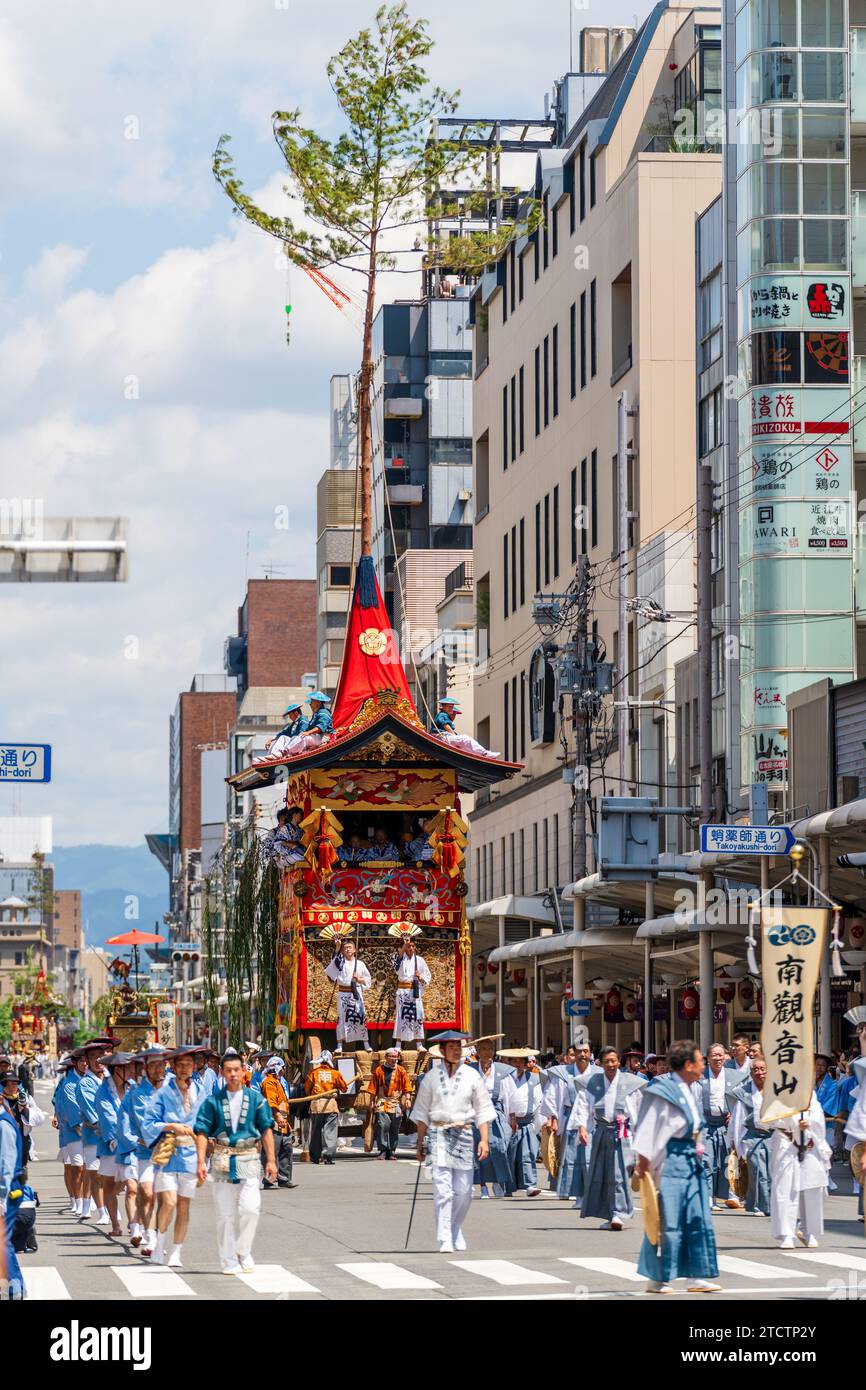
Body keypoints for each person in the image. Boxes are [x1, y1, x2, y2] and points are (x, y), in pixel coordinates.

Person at [633, 1040, 722, 1294]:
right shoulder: (663, 1091)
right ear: (688, 1065)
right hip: (670, 1161)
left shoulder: (691, 1089)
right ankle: (657, 1277)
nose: (704, 1064)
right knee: (667, 1220)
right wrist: (643, 1165)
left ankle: (696, 1275)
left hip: (691, 1161)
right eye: (700, 1060)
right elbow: (648, 1128)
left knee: (697, 1217)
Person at [411, 1031, 496, 1253]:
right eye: (451, 1047)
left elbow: (483, 1110)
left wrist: (484, 1139)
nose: (456, 1051)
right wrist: (420, 1142)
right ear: (442, 1051)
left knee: (464, 1190)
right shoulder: (431, 1078)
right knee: (443, 1189)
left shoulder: (472, 1075)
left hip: (464, 1133)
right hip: (438, 1133)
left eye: (459, 1047)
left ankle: (455, 1226)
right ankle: (444, 1236)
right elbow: (422, 1113)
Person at [194, 1051, 276, 1275]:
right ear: (221, 1072)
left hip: (248, 1155)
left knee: (251, 1209)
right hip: (222, 1156)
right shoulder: (212, 1102)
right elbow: (201, 1132)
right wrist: (200, 1161)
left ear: (243, 1071)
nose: (233, 1074)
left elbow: (266, 1129)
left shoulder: (256, 1099)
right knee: (225, 1214)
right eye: (228, 1070)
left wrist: (271, 1160)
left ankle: (244, 1250)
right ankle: (228, 1259)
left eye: (236, 1070)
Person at [139, 1044, 204, 1267]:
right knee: (168, 1202)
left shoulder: (200, 1092)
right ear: (173, 1067)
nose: (185, 1068)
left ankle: (176, 1251)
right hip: (168, 1153)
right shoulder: (163, 1093)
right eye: (181, 1064)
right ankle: (159, 1244)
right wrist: (171, 1126)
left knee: (184, 1206)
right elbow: (148, 1124)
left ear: (194, 1067)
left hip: (191, 1155)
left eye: (189, 1064)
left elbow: (207, 1122)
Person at [576, 1045, 647, 1230]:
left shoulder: (631, 1083)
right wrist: (582, 1127)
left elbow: (639, 1111)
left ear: (619, 1062)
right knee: (601, 1173)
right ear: (600, 1063)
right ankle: (609, 1214)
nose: (610, 1065)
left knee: (618, 1174)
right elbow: (583, 1106)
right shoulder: (592, 1083)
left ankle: (618, 1213)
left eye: (613, 1061)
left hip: (622, 1133)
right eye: (606, 1061)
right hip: (600, 1132)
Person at [768, 1088, 832, 1249]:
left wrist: (810, 1122)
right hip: (786, 1140)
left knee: (812, 1187)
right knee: (786, 1189)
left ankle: (807, 1230)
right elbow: (769, 1117)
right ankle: (787, 1233)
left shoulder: (809, 1090)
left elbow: (817, 1114)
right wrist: (794, 1123)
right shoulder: (777, 1087)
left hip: (810, 1142)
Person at [129, 1046, 171, 1257]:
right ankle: (151, 1237)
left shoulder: (172, 1088)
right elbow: (147, 1123)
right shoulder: (139, 1093)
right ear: (145, 1068)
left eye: (161, 1064)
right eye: (153, 1065)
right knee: (146, 1192)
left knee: (165, 1198)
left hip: (170, 1151)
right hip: (146, 1150)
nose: (158, 1069)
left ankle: (159, 1235)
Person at [550, 1044, 601, 1208]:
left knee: (590, 1159)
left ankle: (592, 1195)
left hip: (593, 1120)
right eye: (579, 1052)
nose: (583, 1055)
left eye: (586, 1051)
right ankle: (578, 1195)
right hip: (571, 1118)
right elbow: (554, 1096)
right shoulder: (564, 1073)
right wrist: (554, 1118)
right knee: (573, 1159)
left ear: (590, 1054)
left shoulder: (598, 1073)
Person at [727, 1053, 772, 1216]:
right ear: (751, 1073)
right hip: (752, 1136)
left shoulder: (776, 1090)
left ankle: (773, 1204)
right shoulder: (744, 1092)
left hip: (773, 1136)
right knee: (758, 1172)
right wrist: (735, 1142)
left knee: (772, 1172)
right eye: (755, 1070)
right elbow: (737, 1120)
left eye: (762, 1069)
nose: (759, 1072)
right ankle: (761, 1206)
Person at [469, 1036, 514, 1197]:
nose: (487, 1052)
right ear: (477, 1052)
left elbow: (508, 1096)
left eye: (490, 1049)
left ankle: (497, 1181)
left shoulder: (501, 1071)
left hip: (496, 1113)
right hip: (476, 1113)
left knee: (499, 1148)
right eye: (483, 1049)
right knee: (479, 1150)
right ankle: (482, 1185)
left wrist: (510, 1118)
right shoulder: (470, 1070)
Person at [95, 1052, 134, 1237]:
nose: (132, 1071)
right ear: (118, 1070)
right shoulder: (102, 1091)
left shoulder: (132, 1087)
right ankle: (116, 1224)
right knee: (110, 1186)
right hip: (112, 1144)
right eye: (129, 1068)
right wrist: (121, 1137)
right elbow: (108, 1120)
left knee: (132, 1185)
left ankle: (134, 1224)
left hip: (132, 1144)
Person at [75, 1040, 110, 1223]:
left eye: (100, 1056)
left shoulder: (112, 1078)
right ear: (87, 1061)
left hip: (112, 1134)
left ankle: (110, 1207)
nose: (97, 1060)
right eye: (93, 1057)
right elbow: (91, 1113)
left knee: (110, 1176)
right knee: (96, 1175)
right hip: (94, 1134)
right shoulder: (85, 1083)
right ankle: (103, 1211)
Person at [499, 1050, 543, 1196]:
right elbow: (503, 1100)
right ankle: (507, 1188)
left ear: (525, 1064)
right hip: (508, 1122)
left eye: (520, 1061)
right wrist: (507, 1120)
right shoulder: (505, 1079)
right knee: (509, 1156)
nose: (517, 1064)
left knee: (527, 1154)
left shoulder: (534, 1080)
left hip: (527, 1122)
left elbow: (538, 1103)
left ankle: (530, 1184)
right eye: (514, 1061)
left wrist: (537, 1124)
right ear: (510, 1063)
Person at [697, 1043, 734, 1214]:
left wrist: (733, 1112)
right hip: (706, 1123)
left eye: (720, 1055)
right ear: (708, 1058)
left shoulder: (732, 1076)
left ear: (725, 1057)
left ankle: (726, 1195)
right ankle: (708, 1198)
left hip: (725, 1124)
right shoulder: (700, 1076)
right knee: (707, 1161)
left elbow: (739, 1098)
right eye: (714, 1055)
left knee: (724, 1161)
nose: (718, 1058)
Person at [325, 932, 373, 1054]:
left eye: (350, 947)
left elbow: (368, 980)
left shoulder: (360, 964)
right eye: (345, 948)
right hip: (343, 994)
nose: (348, 949)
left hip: (356, 993)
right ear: (343, 951)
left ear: (355, 950)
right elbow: (334, 963)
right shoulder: (341, 962)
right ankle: (339, 1044)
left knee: (360, 1017)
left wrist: (360, 979)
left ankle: (366, 1043)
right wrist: (337, 946)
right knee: (342, 1018)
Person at [0, 1084, 24, 1299]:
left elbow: (6, 1165)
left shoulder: (3, 1124)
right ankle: (16, 1285)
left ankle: (15, 1285)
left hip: (8, 1190)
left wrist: (1, 1198)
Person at [259, 1056, 298, 1188]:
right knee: (272, 1150)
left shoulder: (278, 1082)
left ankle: (284, 1178)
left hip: (282, 1121)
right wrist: (278, 1116)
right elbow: (272, 1102)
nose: (284, 1069)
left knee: (286, 1148)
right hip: (273, 1120)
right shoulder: (269, 1082)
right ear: (277, 1068)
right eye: (282, 1067)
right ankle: (269, 1179)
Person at [368, 1047, 412, 1159]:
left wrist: (407, 1099)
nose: (394, 1059)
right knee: (382, 1125)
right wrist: (371, 1102)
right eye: (391, 1056)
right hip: (382, 1101)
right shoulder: (379, 1070)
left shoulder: (401, 1070)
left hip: (396, 1102)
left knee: (394, 1127)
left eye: (395, 1057)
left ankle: (391, 1151)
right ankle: (383, 1150)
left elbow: (407, 1086)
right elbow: (373, 1087)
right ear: (386, 1057)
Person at [304, 1052, 348, 1164]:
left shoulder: (313, 1073)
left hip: (316, 1106)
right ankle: (328, 1155)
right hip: (330, 1106)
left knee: (316, 1131)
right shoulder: (335, 1073)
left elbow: (307, 1090)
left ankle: (315, 1156)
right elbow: (344, 1088)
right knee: (330, 1131)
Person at [392, 931, 431, 1052]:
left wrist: (420, 977)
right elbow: (396, 969)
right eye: (409, 946)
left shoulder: (420, 960)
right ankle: (398, 1043)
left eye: (413, 946)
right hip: (403, 991)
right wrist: (404, 947)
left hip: (414, 990)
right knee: (401, 1016)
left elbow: (428, 976)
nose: (411, 948)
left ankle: (419, 1043)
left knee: (417, 1015)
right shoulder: (398, 957)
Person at [430, 697, 501, 759]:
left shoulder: (444, 715)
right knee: (465, 739)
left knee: (465, 744)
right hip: (443, 737)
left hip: (444, 737)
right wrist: (454, 736)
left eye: (452, 707)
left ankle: (481, 755)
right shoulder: (442, 715)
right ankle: (484, 753)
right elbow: (446, 726)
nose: (451, 710)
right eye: (449, 707)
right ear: (443, 706)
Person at [7, 1169, 39, 1254]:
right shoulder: (29, 1188)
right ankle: (23, 1245)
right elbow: (36, 1203)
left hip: (16, 1218)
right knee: (22, 1226)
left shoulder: (10, 1189)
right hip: (29, 1219)